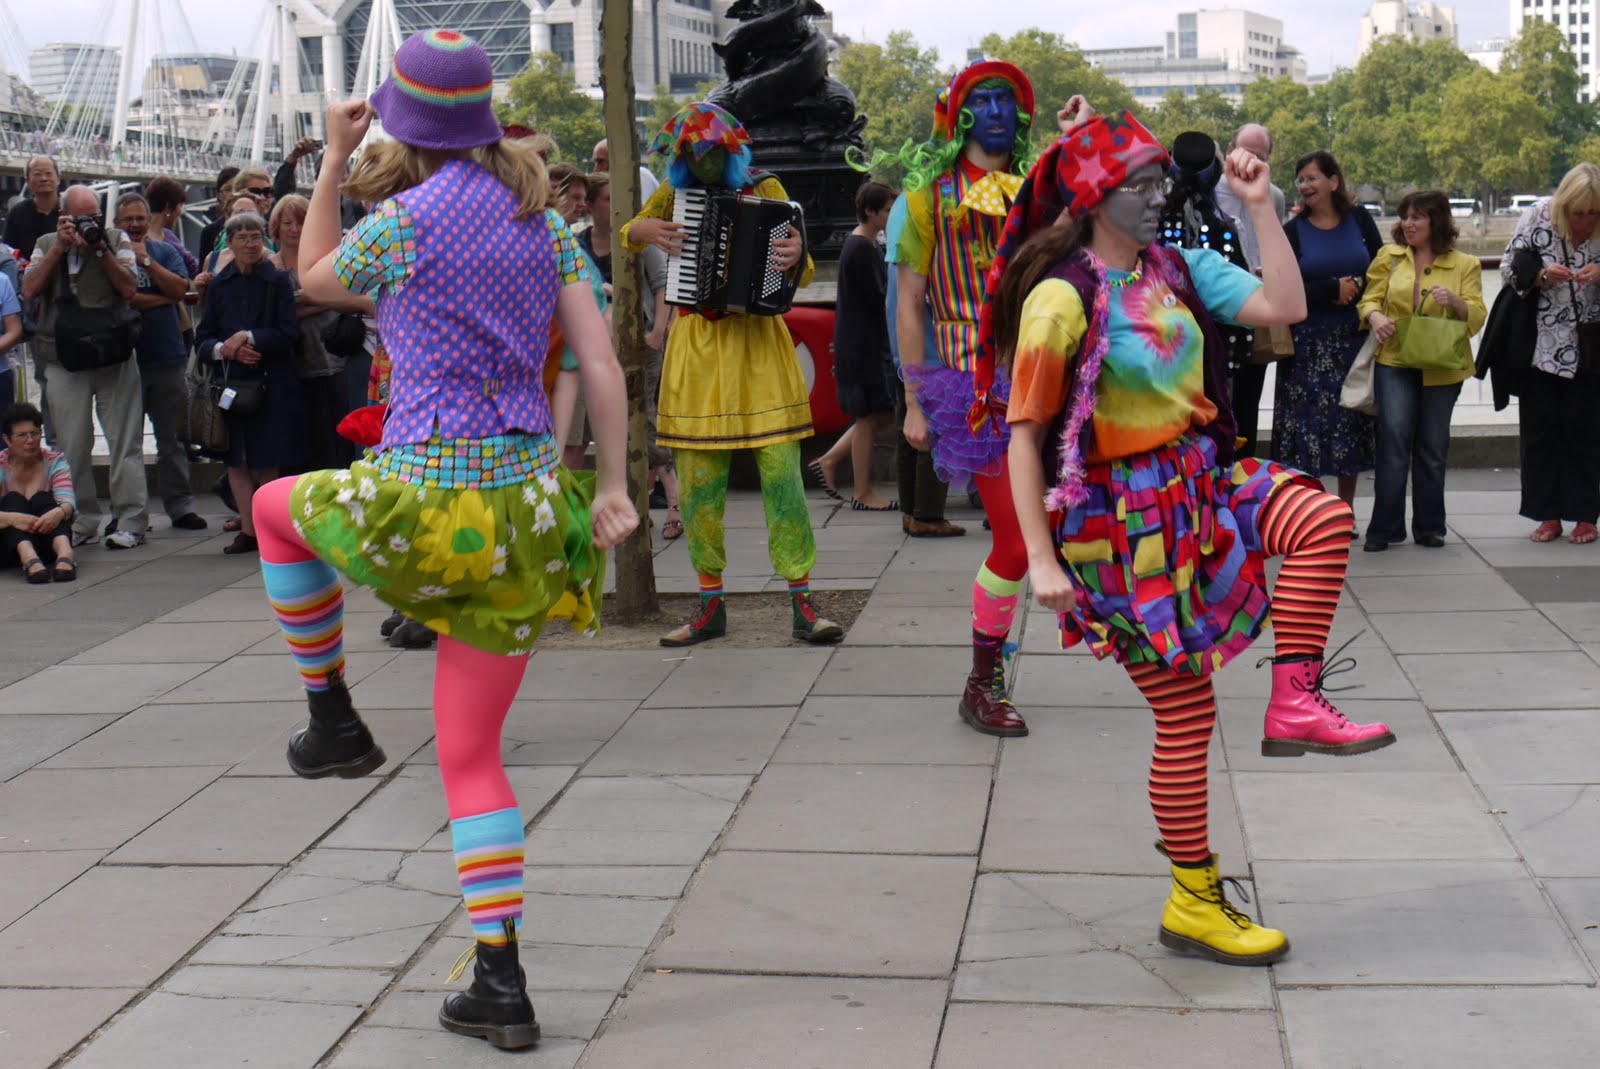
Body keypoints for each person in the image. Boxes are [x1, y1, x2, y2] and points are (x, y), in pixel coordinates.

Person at [252, 30, 635, 1050]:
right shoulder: (542, 223)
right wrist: (608, 484)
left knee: (272, 508)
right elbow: (600, 365)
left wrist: (333, 158)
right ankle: (500, 982)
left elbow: (314, 276)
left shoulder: (408, 222)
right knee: (472, 757)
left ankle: (330, 712)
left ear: (402, 121)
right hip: (523, 513)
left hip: (421, 495)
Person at [988, 115, 1395, 970]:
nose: (1154, 195)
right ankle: (1196, 899)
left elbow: (1284, 305)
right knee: (1186, 715)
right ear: (1095, 197)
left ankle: (1296, 699)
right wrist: (1043, 558)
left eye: (1156, 181)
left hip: (1202, 481)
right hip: (1118, 525)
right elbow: (1023, 435)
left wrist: (1256, 207)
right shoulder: (1063, 295)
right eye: (1136, 184)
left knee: (1321, 519)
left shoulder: (1173, 267)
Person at [880, 62, 1082, 737]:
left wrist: (1075, 141)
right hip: (977, 388)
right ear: (960, 114)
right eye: (983, 100)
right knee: (1019, 542)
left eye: (1008, 101)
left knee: (1056, 530)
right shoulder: (925, 196)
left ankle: (1000, 663)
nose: (997, 111)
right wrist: (913, 398)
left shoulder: (1039, 190)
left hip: (1048, 371)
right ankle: (981, 682)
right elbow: (910, 303)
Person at [624, 101, 841, 646]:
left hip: (759, 353)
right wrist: (641, 228)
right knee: (698, 488)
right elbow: (629, 229)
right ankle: (709, 606)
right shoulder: (672, 197)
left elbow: (806, 266)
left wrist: (794, 256)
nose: (700, 162)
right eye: (689, 155)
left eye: (710, 153)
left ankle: (803, 602)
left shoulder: (767, 192)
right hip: (697, 355)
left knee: (784, 482)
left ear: (730, 152)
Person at [21, 185, 149, 550]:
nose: (86, 224)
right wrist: (60, 248)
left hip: (113, 356)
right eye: (78, 217)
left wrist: (100, 248)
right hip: (63, 357)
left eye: (92, 217)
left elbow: (128, 288)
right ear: (61, 217)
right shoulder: (47, 243)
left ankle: (131, 520)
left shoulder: (114, 238)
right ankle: (80, 519)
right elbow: (28, 289)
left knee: (125, 443)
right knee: (71, 445)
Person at [1357, 190, 1485, 552]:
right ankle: (1384, 529)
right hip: (1394, 359)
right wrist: (1376, 316)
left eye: (1417, 217)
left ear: (1436, 221)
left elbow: (1476, 315)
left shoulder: (1465, 264)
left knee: (1432, 446)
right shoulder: (1390, 257)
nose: (1408, 224)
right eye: (1405, 217)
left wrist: (1457, 302)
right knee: (1393, 440)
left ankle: (1430, 527)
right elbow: (1368, 299)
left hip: (1442, 366)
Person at [1274, 150, 1383, 515]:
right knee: (1306, 434)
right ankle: (1311, 515)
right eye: (1301, 179)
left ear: (1333, 182)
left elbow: (1384, 270)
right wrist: (1330, 289)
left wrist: (1358, 285)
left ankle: (1344, 511)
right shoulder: (1292, 231)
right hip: (1307, 346)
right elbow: (1280, 287)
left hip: (1354, 342)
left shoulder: (1360, 220)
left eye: (1312, 178)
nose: (1305, 185)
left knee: (1349, 429)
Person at [193, 212, 303, 555]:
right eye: (242, 237)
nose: (250, 244)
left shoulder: (278, 281)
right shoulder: (219, 284)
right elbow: (203, 337)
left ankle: (271, 529)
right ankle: (248, 528)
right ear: (230, 242)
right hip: (232, 380)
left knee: (268, 460)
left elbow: (289, 333)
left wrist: (248, 338)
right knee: (235, 460)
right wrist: (228, 351)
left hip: (271, 381)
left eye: (255, 237)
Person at [578, 170, 679, 538]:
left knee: (646, 422)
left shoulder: (636, 239)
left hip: (640, 342)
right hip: (598, 346)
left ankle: (673, 503)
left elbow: (662, 284)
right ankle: (632, 504)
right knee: (612, 427)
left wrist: (656, 332)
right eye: (607, 199)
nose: (615, 207)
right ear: (591, 205)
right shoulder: (580, 243)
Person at [1504, 162, 1600, 544]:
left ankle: (1585, 515)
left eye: (1593, 214)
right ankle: (1546, 515)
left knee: (1586, 432)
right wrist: (1541, 277)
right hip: (1540, 345)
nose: (1584, 221)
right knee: (1539, 433)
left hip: (1591, 347)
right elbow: (1511, 268)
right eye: (1578, 213)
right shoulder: (1536, 215)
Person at [112, 193, 207, 532]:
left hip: (167, 357)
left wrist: (146, 263)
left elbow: (182, 289)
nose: (135, 225)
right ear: (116, 224)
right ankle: (128, 513)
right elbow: (123, 298)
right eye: (128, 220)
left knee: (173, 440)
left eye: (140, 218)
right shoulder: (107, 257)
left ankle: (180, 506)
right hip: (124, 362)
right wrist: (162, 296)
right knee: (126, 443)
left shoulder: (164, 252)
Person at [811, 180, 897, 511]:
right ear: (870, 211)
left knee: (882, 414)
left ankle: (829, 460)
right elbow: (880, 298)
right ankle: (861, 492)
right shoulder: (862, 248)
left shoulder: (866, 245)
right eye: (888, 210)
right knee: (867, 417)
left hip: (863, 344)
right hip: (864, 347)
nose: (891, 216)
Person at [885, 196, 963, 537]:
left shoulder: (904, 203)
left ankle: (910, 510)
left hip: (901, 342)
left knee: (908, 426)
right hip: (931, 348)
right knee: (934, 431)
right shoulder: (927, 204)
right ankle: (928, 514)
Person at [1212, 123, 1288, 458]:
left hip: (1258, 304)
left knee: (1249, 398)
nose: (1251, 160)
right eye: (1246, 151)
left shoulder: (1274, 196)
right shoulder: (1211, 191)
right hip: (1218, 307)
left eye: (1260, 155)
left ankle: (1247, 471)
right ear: (1230, 150)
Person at [270, 194, 354, 471]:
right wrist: (318, 297)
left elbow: (344, 296)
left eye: (301, 223)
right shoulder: (270, 266)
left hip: (333, 359)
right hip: (294, 366)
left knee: (339, 438)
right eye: (288, 223)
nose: (294, 229)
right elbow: (274, 316)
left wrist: (300, 301)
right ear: (276, 228)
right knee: (307, 441)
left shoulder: (324, 259)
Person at [0, 401, 76, 581]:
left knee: (43, 499)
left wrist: (58, 512)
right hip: (8, 546)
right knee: (13, 500)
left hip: (46, 539)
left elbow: (67, 500)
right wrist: (15, 519)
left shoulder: (54, 461)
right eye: (22, 436)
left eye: (35, 433)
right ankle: (29, 558)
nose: (30, 441)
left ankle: (66, 553)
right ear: (7, 440)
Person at [2, 156, 62, 259]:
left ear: (58, 178)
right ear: (27, 181)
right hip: (27, 272)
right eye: (37, 174)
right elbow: (8, 252)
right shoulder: (17, 213)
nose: (44, 178)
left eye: (48, 173)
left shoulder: (71, 208)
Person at [591, 137, 660, 204]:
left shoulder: (638, 175)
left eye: (600, 161)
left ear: (617, 160)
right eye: (595, 162)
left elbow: (640, 212)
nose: (596, 169)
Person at [196, 165, 241, 259]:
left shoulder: (258, 227)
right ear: (219, 195)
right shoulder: (209, 232)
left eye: (237, 189)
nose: (233, 194)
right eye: (228, 189)